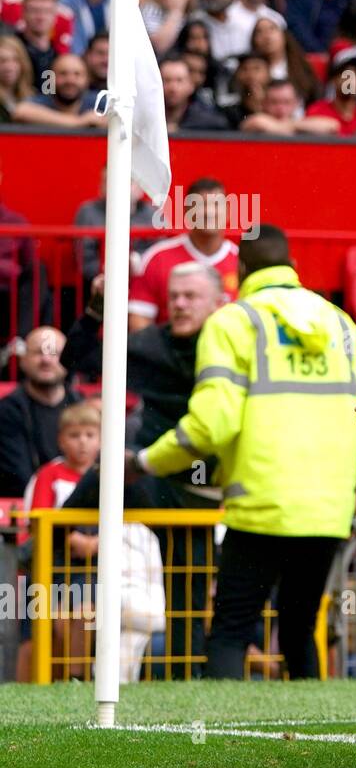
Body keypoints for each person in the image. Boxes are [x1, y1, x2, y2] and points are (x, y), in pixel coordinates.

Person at [131, 225, 356, 679]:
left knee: (231, 629)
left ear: (240, 269)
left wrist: (146, 461)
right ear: (293, 267)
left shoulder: (232, 322)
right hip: (327, 507)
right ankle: (318, 741)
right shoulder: (341, 323)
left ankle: (221, 742)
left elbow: (210, 425)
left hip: (259, 504)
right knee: (301, 629)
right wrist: (345, 479)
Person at [61, 263, 224, 678]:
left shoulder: (231, 347)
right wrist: (96, 313)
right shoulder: (149, 344)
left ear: (219, 302)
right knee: (106, 472)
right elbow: (75, 358)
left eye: (191, 296)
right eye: (174, 297)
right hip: (150, 475)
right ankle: (37, 545)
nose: (180, 304)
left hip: (211, 487)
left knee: (190, 593)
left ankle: (186, 679)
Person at [128, 177, 238, 331]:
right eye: (200, 205)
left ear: (227, 211)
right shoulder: (158, 258)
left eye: (216, 205)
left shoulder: (241, 260)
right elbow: (138, 319)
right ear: (187, 212)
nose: (209, 212)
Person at [0, 327, 81, 497]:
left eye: (55, 353)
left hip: (75, 508)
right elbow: (19, 475)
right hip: (27, 509)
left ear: (68, 359)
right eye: (38, 352)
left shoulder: (81, 407)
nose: (46, 359)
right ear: (23, 360)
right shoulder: (7, 410)